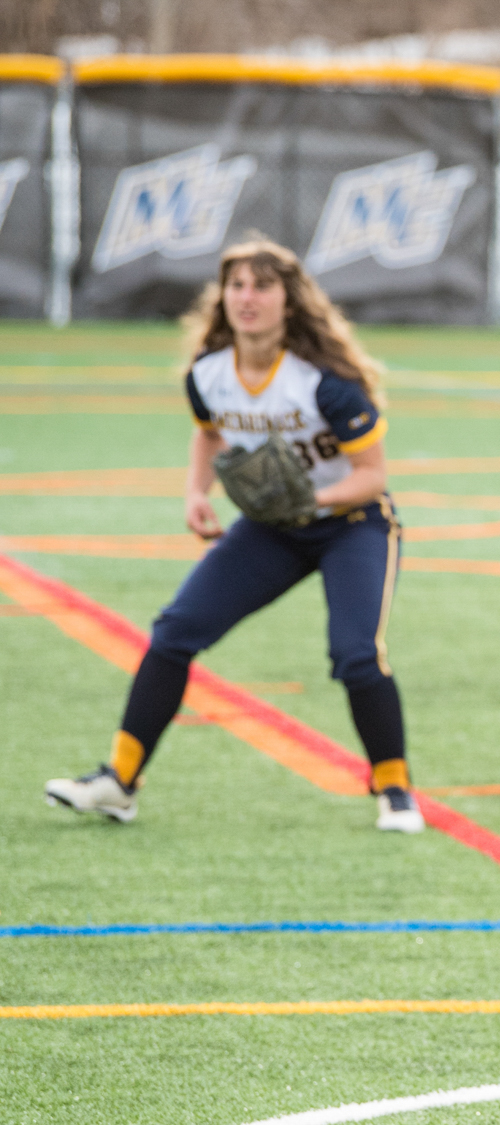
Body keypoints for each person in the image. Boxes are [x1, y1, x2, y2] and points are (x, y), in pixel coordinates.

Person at [44, 236, 422, 834]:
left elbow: (371, 476)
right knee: (174, 632)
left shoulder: (323, 382)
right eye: (236, 286)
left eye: (263, 286)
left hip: (352, 525)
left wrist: (311, 499)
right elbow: (208, 433)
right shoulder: (209, 373)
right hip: (274, 529)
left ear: (289, 301)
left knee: (355, 655)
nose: (247, 298)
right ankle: (119, 782)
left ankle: (394, 789)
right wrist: (196, 493)